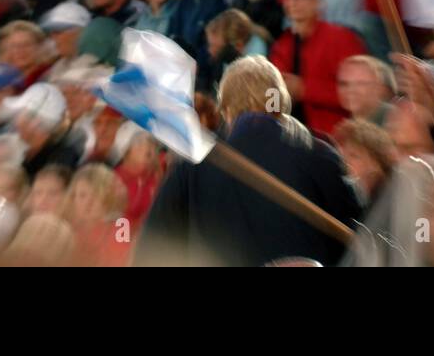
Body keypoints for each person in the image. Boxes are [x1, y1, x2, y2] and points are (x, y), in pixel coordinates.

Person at [138, 55, 363, 266]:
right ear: (281, 103)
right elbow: (358, 242)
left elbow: (151, 249)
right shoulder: (319, 155)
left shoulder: (192, 165)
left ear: (226, 110)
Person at [270, 0, 366, 138]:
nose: (294, 3)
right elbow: (272, 103)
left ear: (319, 2)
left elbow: (361, 95)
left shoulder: (342, 38)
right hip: (291, 138)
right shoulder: (281, 45)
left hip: (336, 137)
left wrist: (304, 89)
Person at [336, 55, 396, 128]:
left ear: (378, 88)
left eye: (360, 83)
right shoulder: (350, 125)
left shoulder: (396, 120)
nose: (350, 90)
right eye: (344, 83)